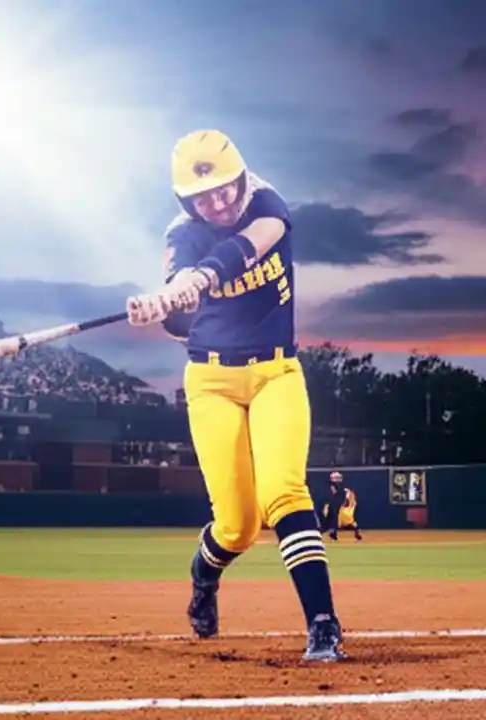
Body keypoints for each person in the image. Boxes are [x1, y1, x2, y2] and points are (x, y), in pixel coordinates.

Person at [125, 129, 344, 662]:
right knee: (238, 526)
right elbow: (179, 300)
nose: (219, 202)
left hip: (276, 373)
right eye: (203, 198)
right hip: (212, 383)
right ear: (186, 202)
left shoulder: (268, 204)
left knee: (285, 492)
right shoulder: (181, 235)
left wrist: (200, 278)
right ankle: (204, 575)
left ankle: (323, 625)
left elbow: (245, 248)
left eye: (224, 188)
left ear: (242, 178)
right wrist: (163, 302)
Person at [322, 470, 362, 542]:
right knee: (339, 522)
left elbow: (347, 499)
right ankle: (333, 536)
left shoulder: (344, 490)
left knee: (349, 521)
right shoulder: (338, 488)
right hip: (344, 507)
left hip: (347, 507)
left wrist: (345, 503)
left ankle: (357, 536)